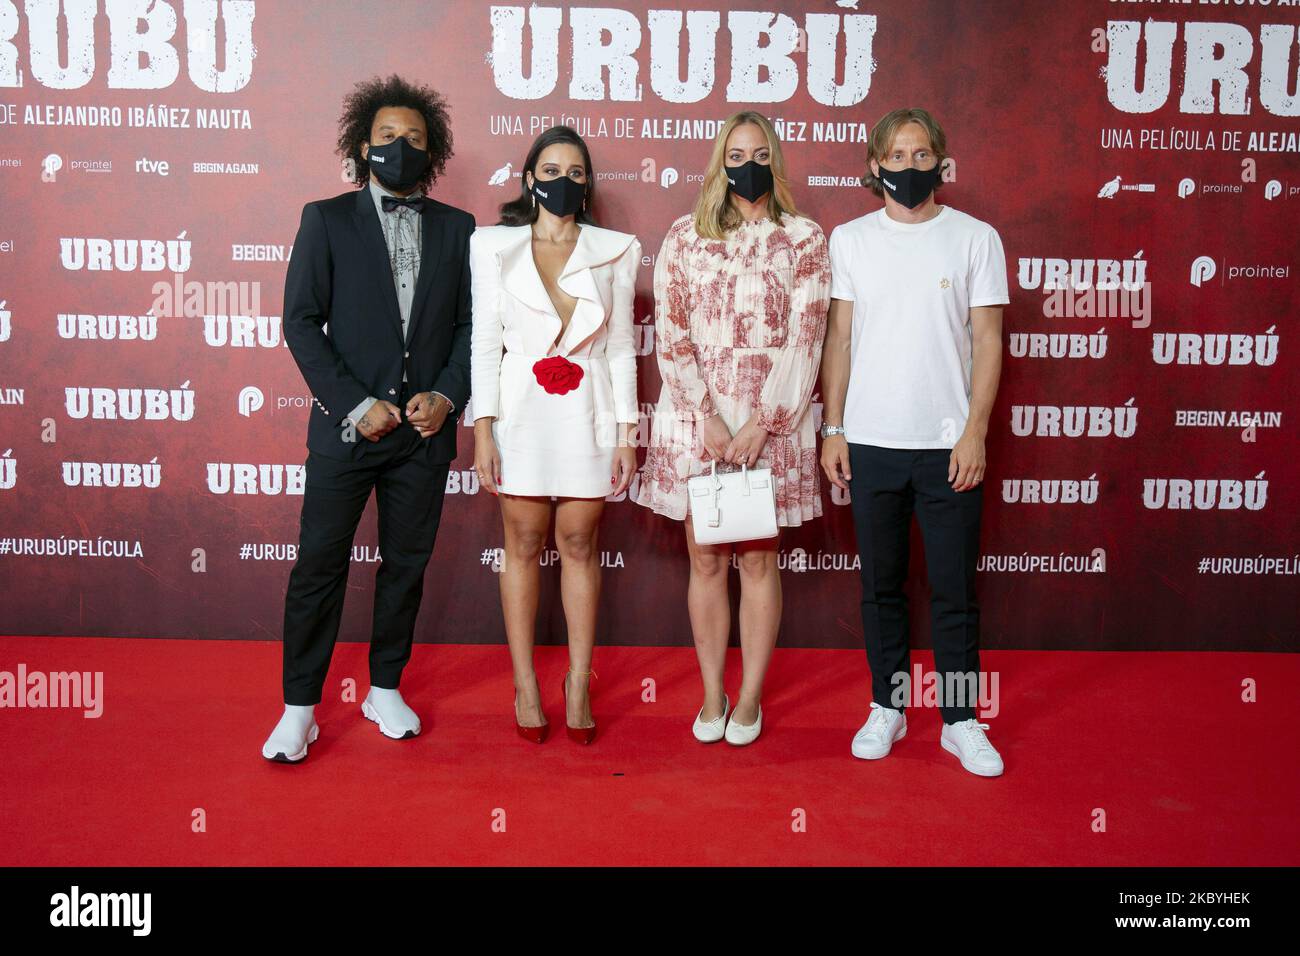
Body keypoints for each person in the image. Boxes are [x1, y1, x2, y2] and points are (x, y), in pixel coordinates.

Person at [261, 75, 474, 762]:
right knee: (318, 568)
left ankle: (386, 687)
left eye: (415, 138)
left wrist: (446, 395)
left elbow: (474, 327)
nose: (401, 148)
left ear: (433, 149)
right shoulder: (325, 219)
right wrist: (356, 402)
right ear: (362, 146)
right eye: (387, 137)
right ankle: (300, 709)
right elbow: (300, 323)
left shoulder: (459, 229)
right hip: (347, 431)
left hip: (425, 437)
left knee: (405, 567)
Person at [820, 107, 1009, 777]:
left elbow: (988, 339)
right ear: (875, 166)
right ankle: (889, 707)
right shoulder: (850, 240)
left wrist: (974, 431)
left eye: (920, 154)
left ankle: (960, 720)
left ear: (940, 162)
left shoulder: (976, 239)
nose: (908, 166)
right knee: (883, 587)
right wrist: (834, 427)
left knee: (955, 590)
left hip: (948, 444)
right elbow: (839, 339)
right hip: (870, 441)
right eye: (895, 156)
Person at [635, 111, 831, 746]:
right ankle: (713, 693)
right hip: (700, 426)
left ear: (775, 161)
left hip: (773, 428)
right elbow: (673, 332)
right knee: (706, 557)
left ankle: (750, 700)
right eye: (735, 152)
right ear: (719, 162)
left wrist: (765, 425)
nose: (747, 164)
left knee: (758, 558)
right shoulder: (684, 238)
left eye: (760, 152)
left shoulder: (805, 239)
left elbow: (808, 338)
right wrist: (708, 417)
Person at [470, 125, 640, 745]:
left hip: (587, 408)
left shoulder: (617, 249)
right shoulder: (491, 246)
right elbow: (486, 344)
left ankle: (577, 680)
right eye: (550, 170)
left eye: (574, 173)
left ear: (587, 183)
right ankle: (523, 682)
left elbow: (621, 347)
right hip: (520, 408)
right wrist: (482, 428)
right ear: (528, 178)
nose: (562, 182)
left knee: (578, 539)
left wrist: (627, 431)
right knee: (522, 537)